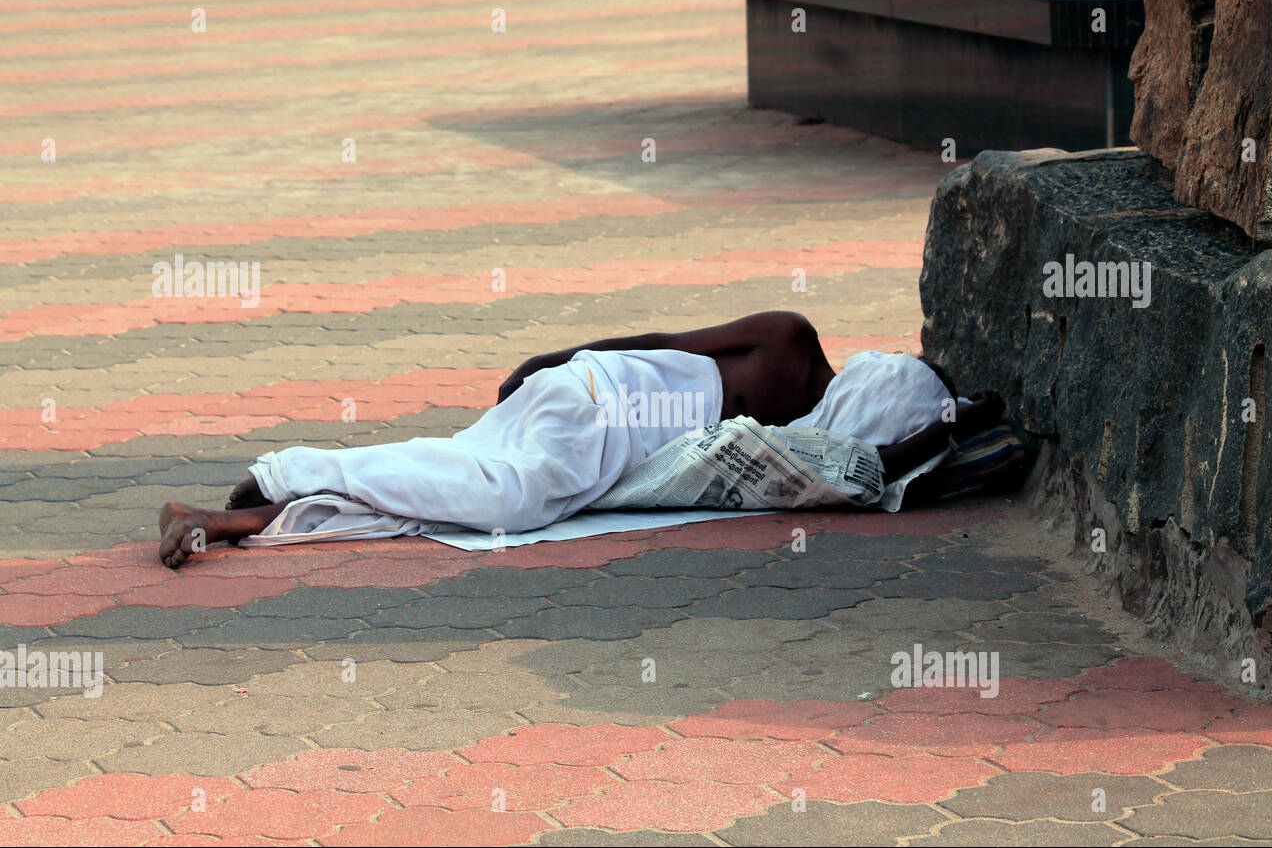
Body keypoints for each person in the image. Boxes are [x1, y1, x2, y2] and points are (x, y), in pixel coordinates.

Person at [157, 311, 1006, 567]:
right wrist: (550, 358)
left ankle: (245, 518)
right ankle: (282, 473)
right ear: (864, 384)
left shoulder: (812, 442)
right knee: (506, 502)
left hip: (590, 425)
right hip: (594, 404)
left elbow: (882, 467)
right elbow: (666, 344)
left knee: (459, 483)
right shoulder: (787, 341)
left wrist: (961, 421)